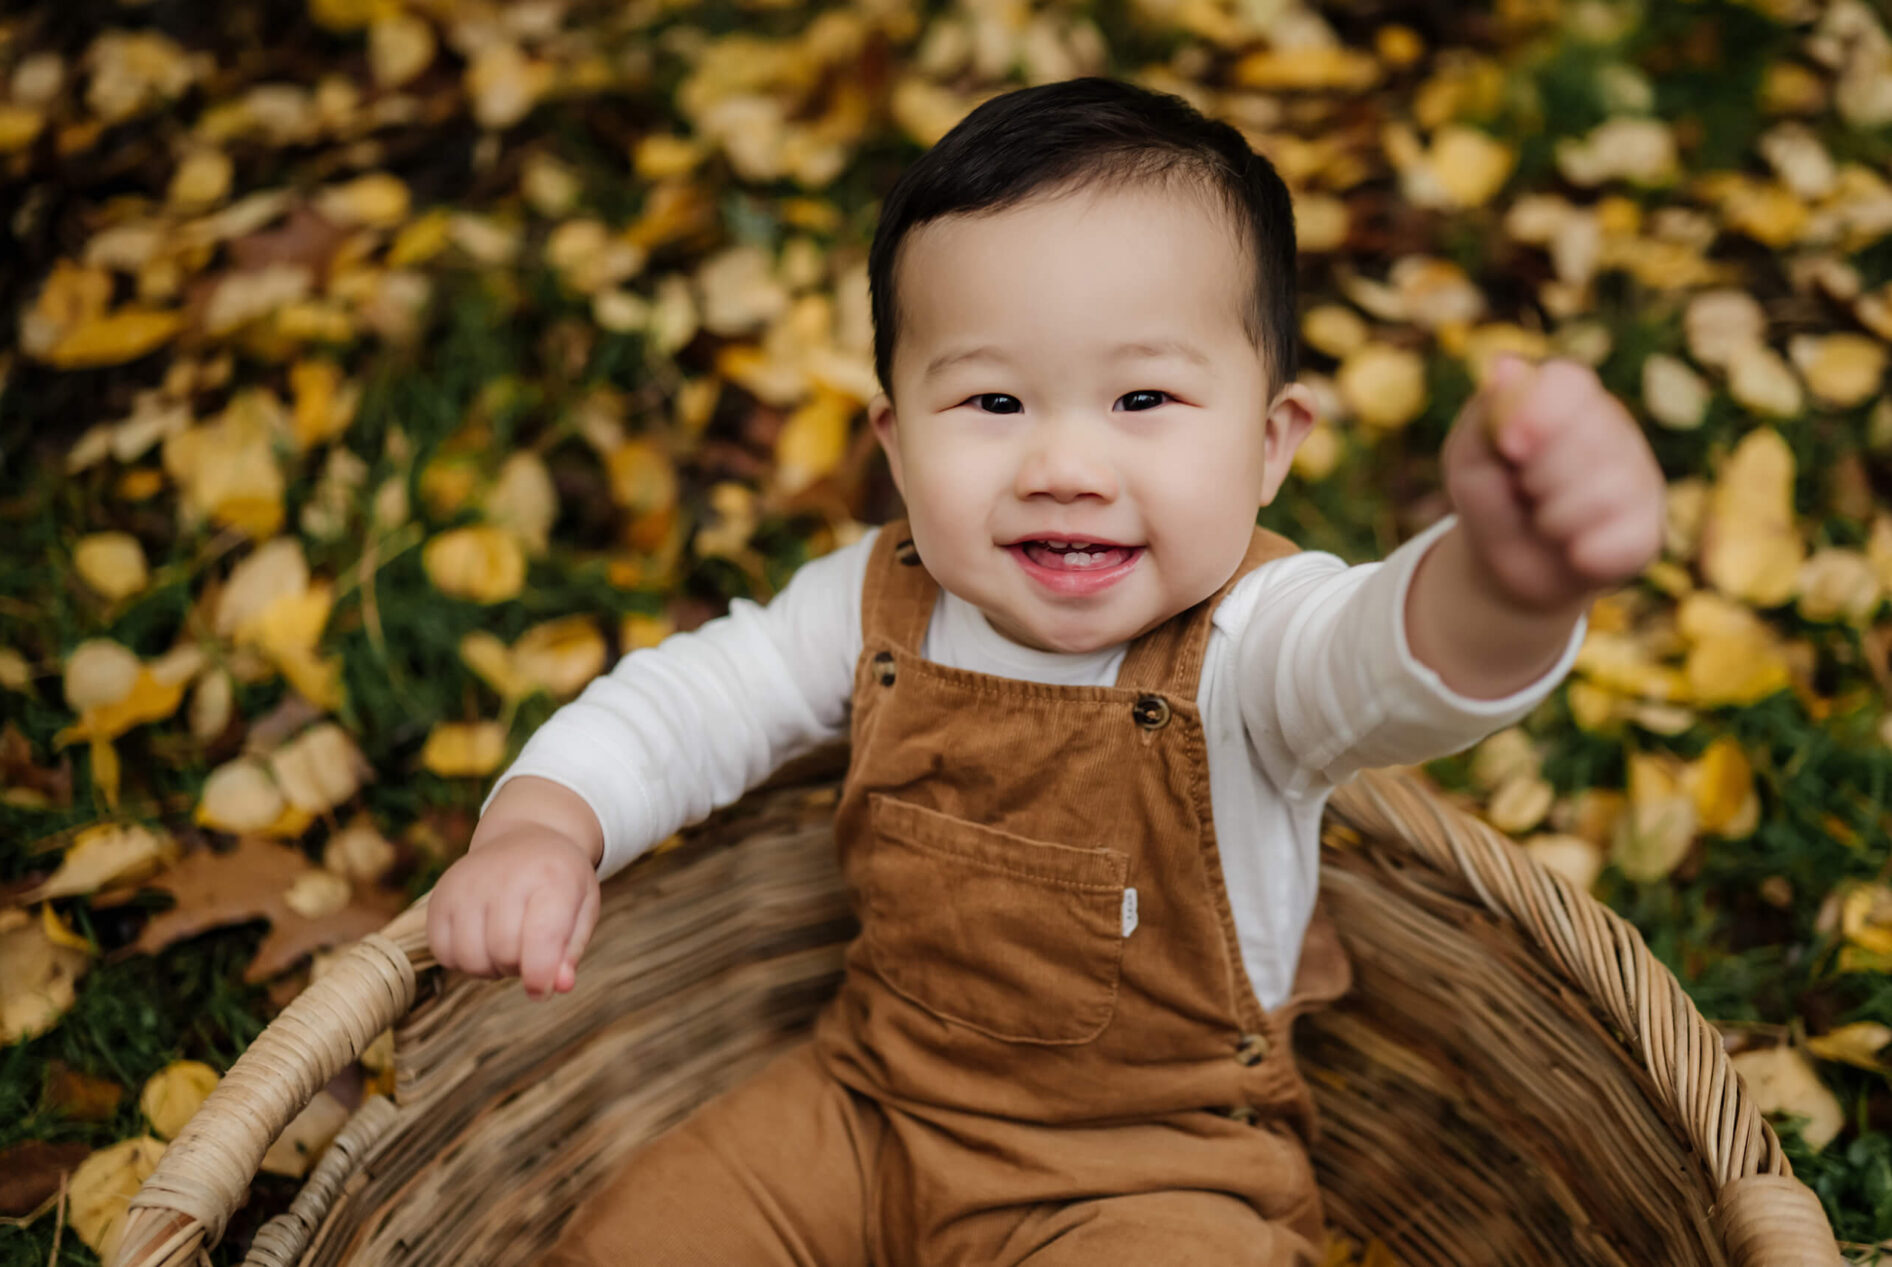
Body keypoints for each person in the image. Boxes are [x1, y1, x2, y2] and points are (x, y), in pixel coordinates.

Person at [425, 76, 1666, 1265]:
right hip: (866, 1104)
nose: (1065, 463)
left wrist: (1505, 583)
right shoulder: (871, 598)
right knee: (644, 1238)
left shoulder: (1249, 645)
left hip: (1152, 1171)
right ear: (896, 443)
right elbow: (686, 706)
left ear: (1270, 442)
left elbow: (1384, 665)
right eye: (993, 403)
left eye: (1141, 397)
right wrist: (544, 824)